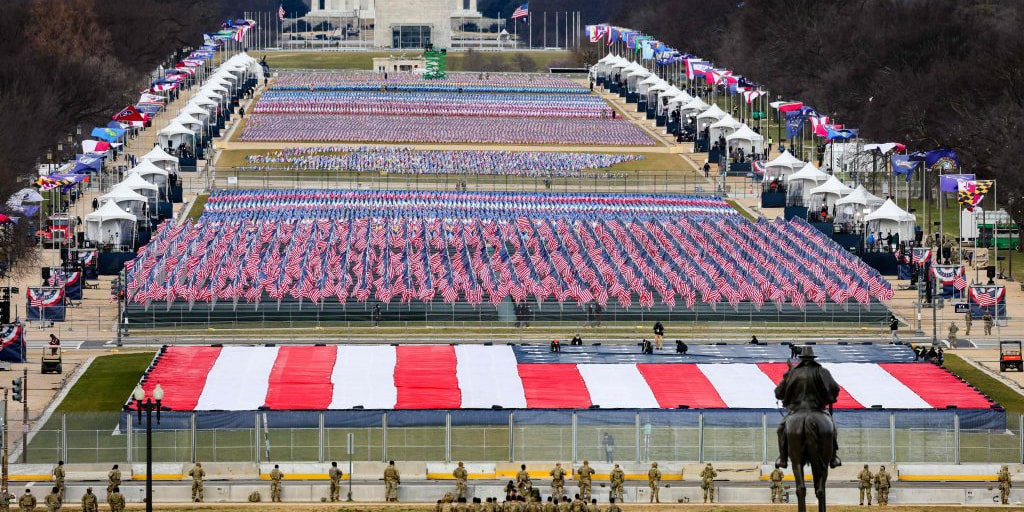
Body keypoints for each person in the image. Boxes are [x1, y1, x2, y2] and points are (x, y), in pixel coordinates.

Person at [774, 346, 842, 469]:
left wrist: (787, 375)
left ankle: (782, 458)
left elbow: (778, 393)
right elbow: (835, 389)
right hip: (818, 409)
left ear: (801, 359)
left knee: (780, 429)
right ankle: (833, 457)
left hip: (797, 410)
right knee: (832, 428)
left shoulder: (794, 372)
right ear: (812, 359)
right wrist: (830, 398)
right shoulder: (822, 371)